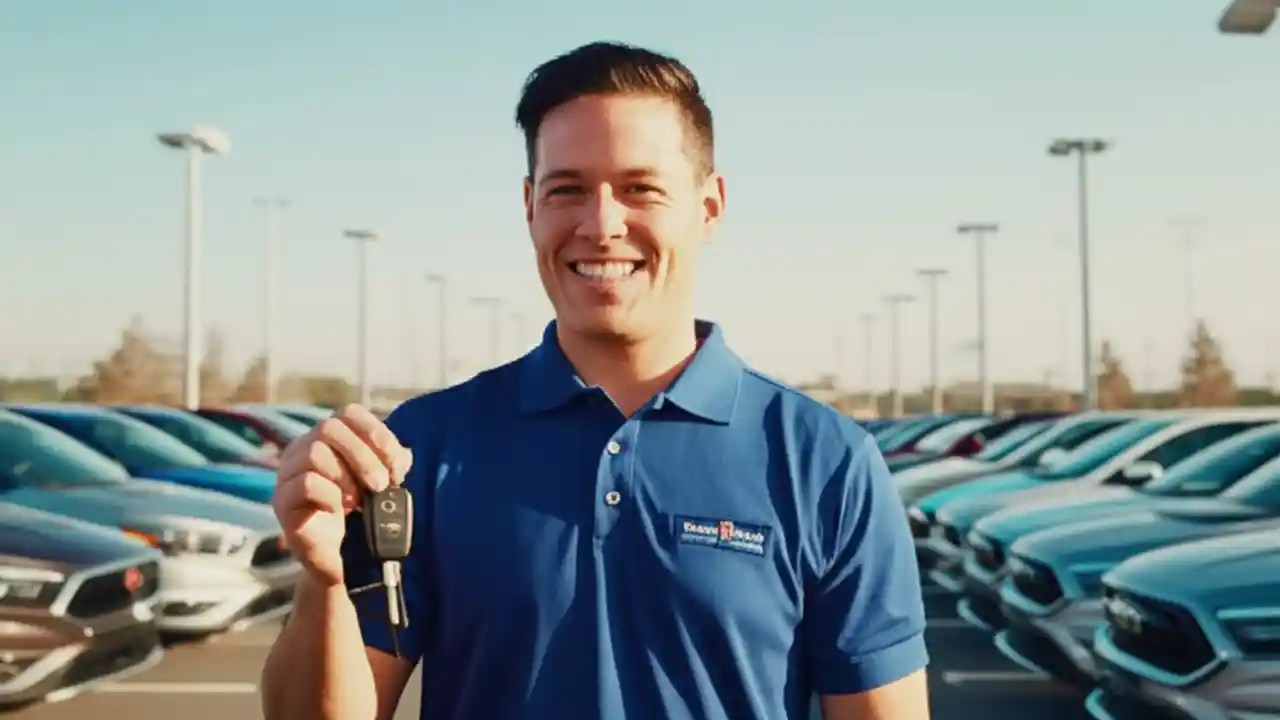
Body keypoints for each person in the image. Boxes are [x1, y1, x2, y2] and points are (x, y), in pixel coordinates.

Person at [260, 41, 930, 720]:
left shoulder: (824, 461)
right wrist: (322, 576)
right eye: (567, 190)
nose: (601, 225)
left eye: (641, 189)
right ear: (529, 206)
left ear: (709, 206)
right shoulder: (422, 449)